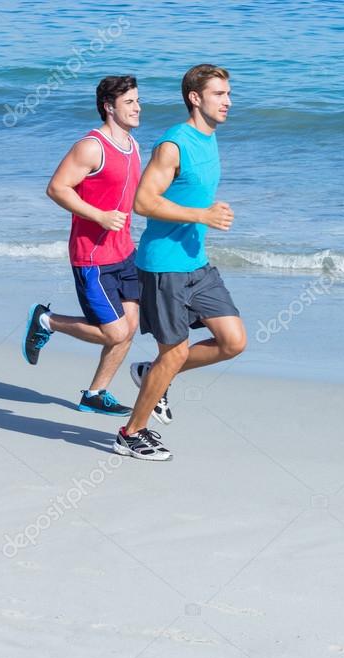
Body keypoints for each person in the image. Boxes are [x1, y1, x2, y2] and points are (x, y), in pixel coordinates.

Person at [115, 64, 246, 461]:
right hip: (164, 266)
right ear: (195, 97)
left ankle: (152, 374)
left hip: (197, 262)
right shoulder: (174, 144)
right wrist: (202, 216)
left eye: (228, 93)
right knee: (172, 352)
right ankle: (131, 433)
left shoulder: (210, 138)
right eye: (219, 94)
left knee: (233, 341)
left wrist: (204, 214)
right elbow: (142, 202)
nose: (228, 101)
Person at [21, 75, 143, 417]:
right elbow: (57, 188)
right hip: (93, 256)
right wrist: (100, 217)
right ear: (109, 107)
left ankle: (94, 393)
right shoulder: (91, 147)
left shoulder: (133, 145)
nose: (137, 107)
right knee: (115, 331)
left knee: (129, 328)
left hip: (125, 252)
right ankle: (46, 320)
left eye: (137, 100)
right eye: (129, 102)